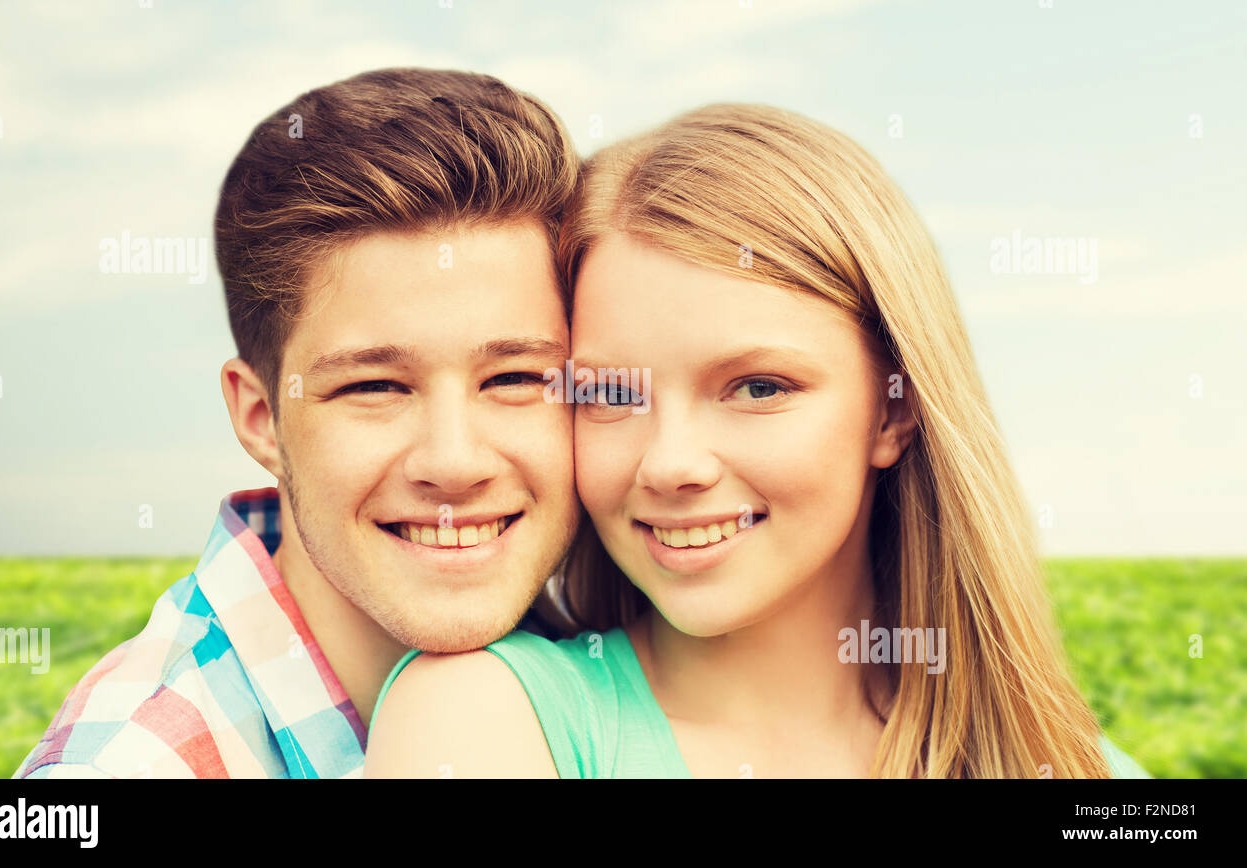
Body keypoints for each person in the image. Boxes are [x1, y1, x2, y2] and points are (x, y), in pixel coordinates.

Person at [366, 103, 1151, 778]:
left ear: (894, 411)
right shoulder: (484, 720)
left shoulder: (1081, 769)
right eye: (609, 394)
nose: (671, 463)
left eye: (758, 388)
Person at [13, 68, 582, 779]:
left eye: (515, 379)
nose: (455, 462)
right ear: (261, 419)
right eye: (374, 385)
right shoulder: (133, 765)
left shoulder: (603, 654)